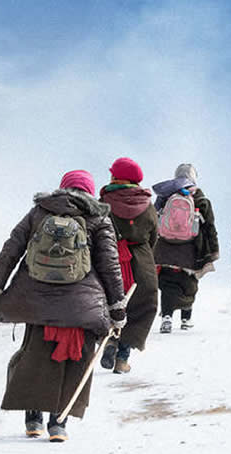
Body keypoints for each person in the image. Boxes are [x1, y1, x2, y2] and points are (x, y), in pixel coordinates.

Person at [0, 170, 126, 443]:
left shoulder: (39, 212)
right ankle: (58, 423)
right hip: (81, 306)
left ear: (62, 189)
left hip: (34, 299)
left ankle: (32, 419)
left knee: (35, 356)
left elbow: (11, 250)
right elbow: (109, 266)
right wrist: (117, 309)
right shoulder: (98, 218)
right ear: (90, 192)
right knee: (75, 361)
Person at [98, 157, 159, 373]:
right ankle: (122, 359)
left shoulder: (103, 201)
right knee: (139, 308)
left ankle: (109, 342)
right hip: (141, 263)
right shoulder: (147, 205)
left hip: (110, 259)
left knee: (109, 303)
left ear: (115, 176)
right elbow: (154, 235)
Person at [151, 163, 218, 332]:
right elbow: (209, 226)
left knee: (167, 283)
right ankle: (186, 319)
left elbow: (152, 217)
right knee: (189, 282)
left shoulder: (166, 196)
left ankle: (166, 317)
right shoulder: (201, 199)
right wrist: (213, 251)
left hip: (165, 247)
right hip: (190, 249)